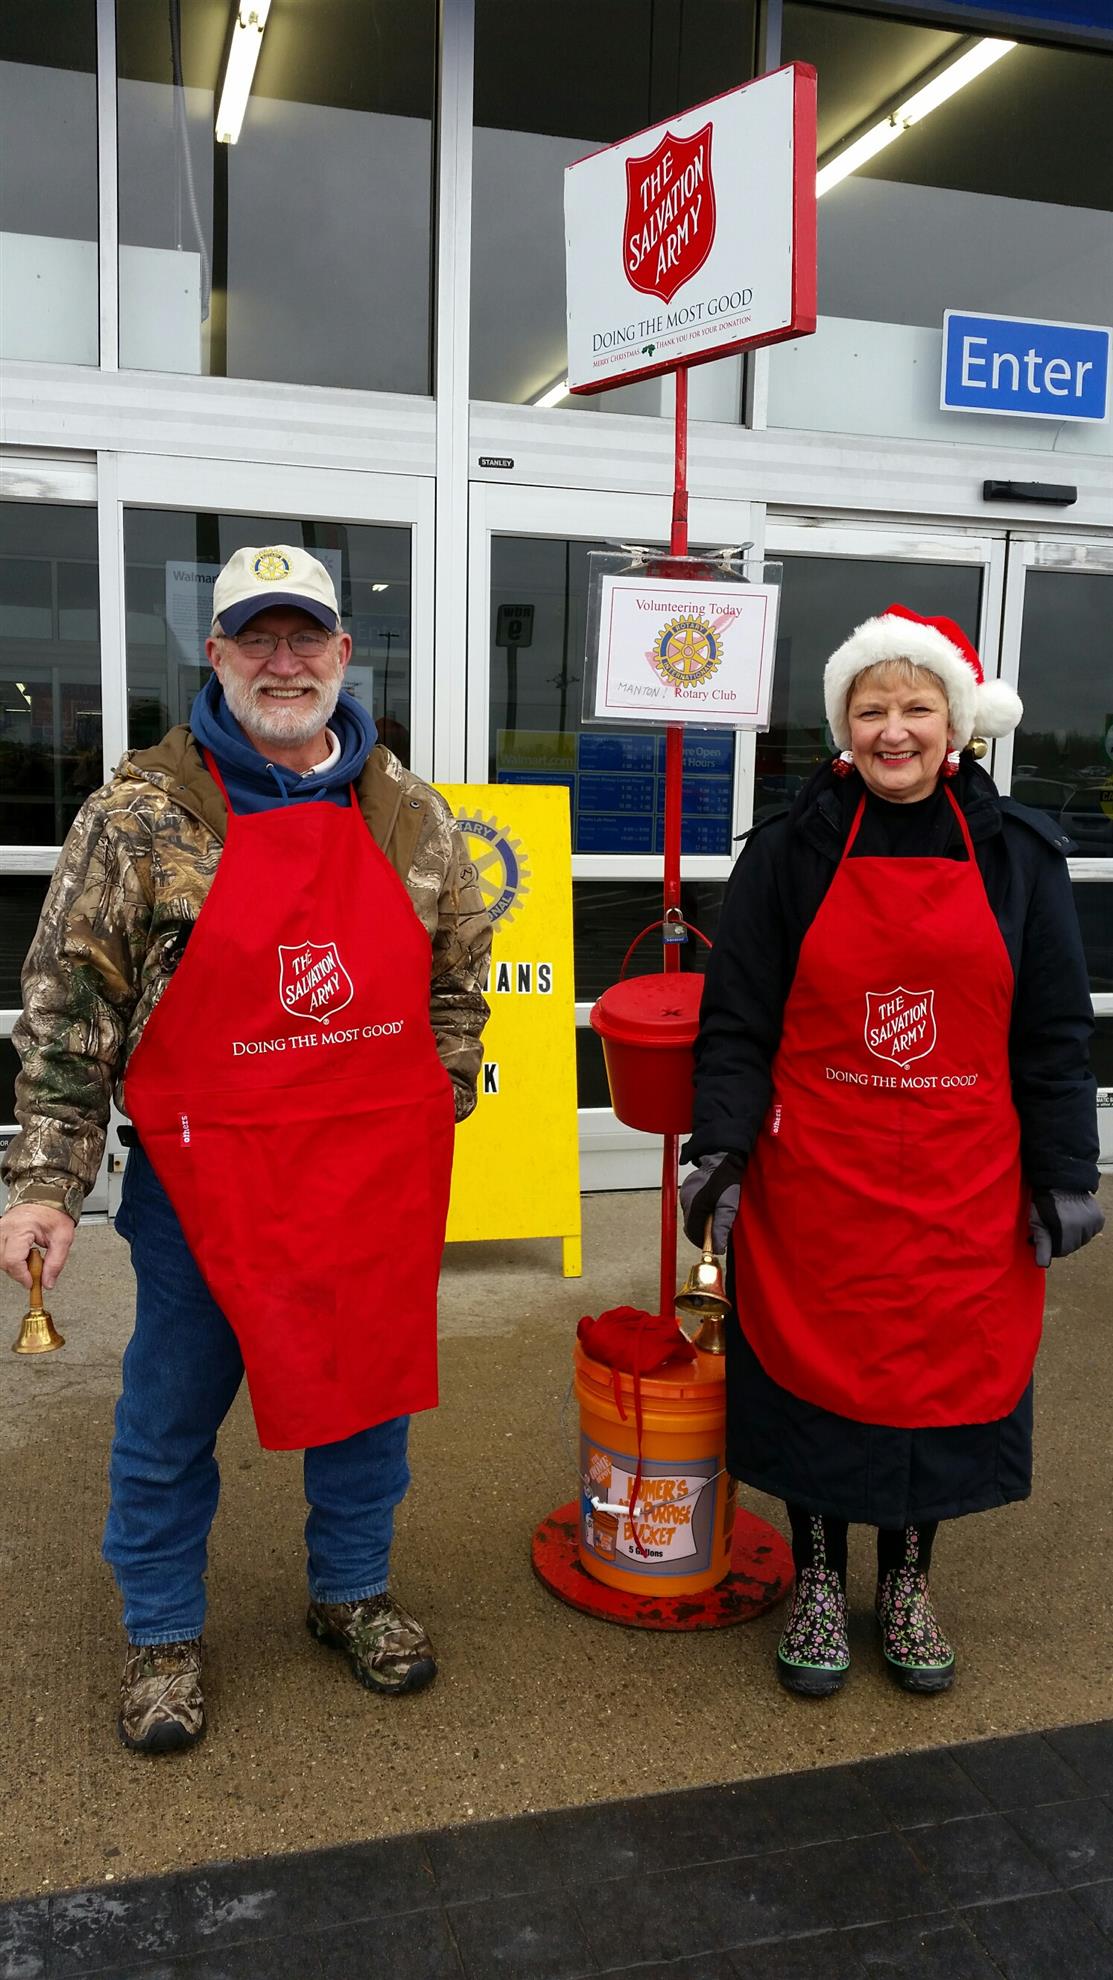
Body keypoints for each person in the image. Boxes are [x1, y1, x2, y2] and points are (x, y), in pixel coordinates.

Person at [0, 545, 491, 1753]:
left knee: (367, 1403)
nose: (284, 663)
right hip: (204, 1189)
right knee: (169, 1418)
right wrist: (47, 1183)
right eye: (256, 639)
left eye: (304, 637)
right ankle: (164, 1634)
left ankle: (352, 1594)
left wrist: (434, 1099)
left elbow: (458, 978)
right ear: (215, 654)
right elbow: (70, 1011)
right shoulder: (138, 816)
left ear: (343, 654)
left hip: (365, 1188)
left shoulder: (408, 813)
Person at [680, 603, 1102, 1699]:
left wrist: (1067, 1171)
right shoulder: (789, 852)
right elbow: (738, 1022)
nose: (894, 730)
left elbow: (1053, 1033)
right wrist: (720, 1148)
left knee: (939, 1386)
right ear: (844, 726)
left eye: (916, 707)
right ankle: (821, 1577)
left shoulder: (1017, 857)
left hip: (968, 1179)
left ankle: (908, 1582)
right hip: (818, 1177)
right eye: (871, 709)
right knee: (816, 1382)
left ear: (954, 723)